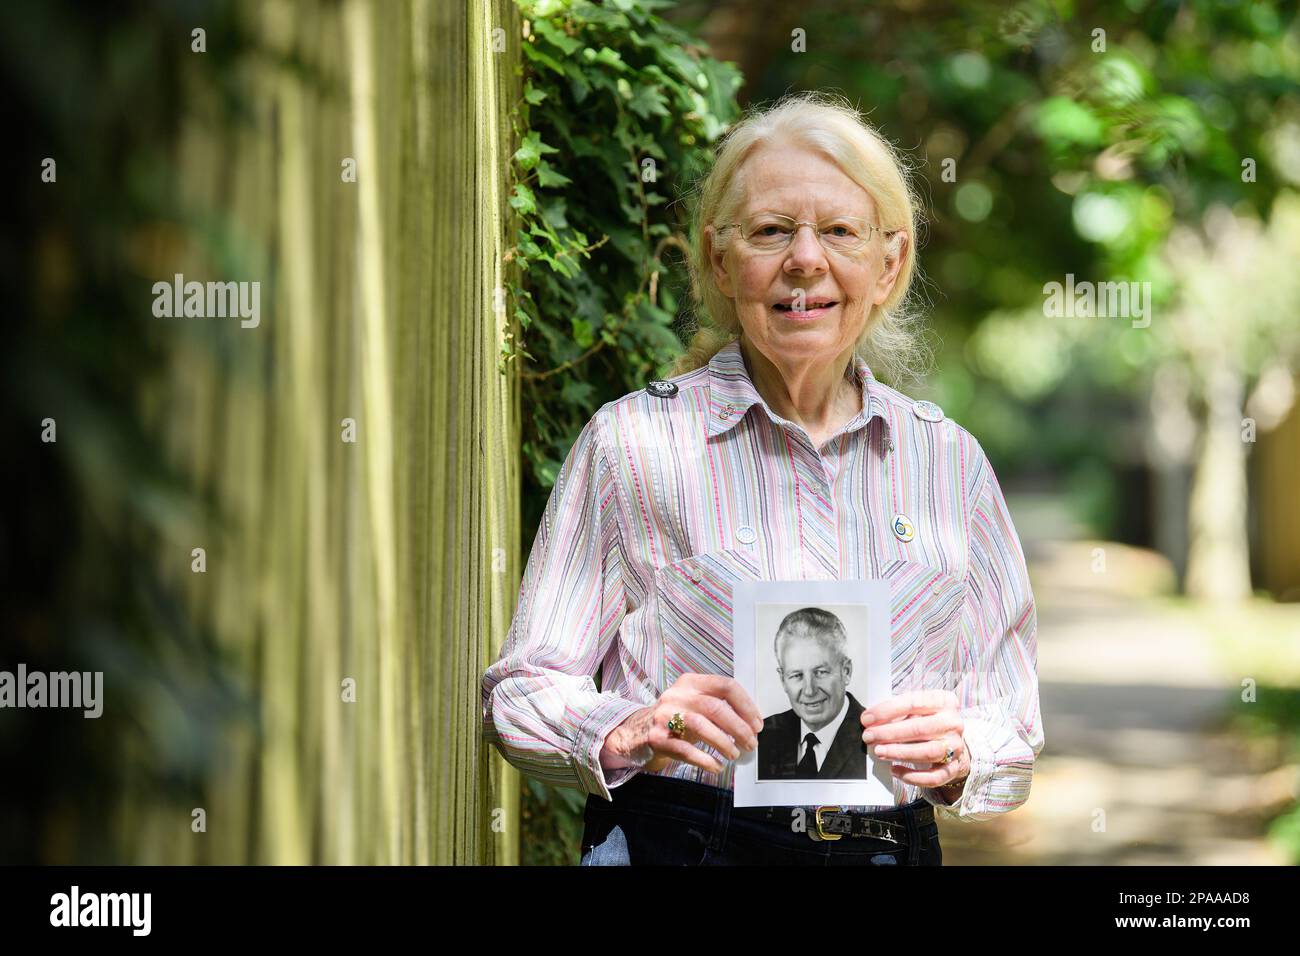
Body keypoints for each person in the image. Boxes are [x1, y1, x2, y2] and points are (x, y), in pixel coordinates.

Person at [481, 90, 1044, 865]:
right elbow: (521, 689)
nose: (805, 259)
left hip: (884, 846)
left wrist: (965, 751)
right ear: (720, 259)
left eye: (840, 231)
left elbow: (1009, 719)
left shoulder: (949, 465)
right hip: (676, 841)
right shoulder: (633, 443)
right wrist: (628, 728)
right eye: (773, 230)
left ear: (890, 264)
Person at [757, 607, 870, 780]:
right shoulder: (762, 737)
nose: (809, 691)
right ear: (782, 679)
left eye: (821, 672)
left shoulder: (873, 736)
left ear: (846, 671)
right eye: (796, 675)